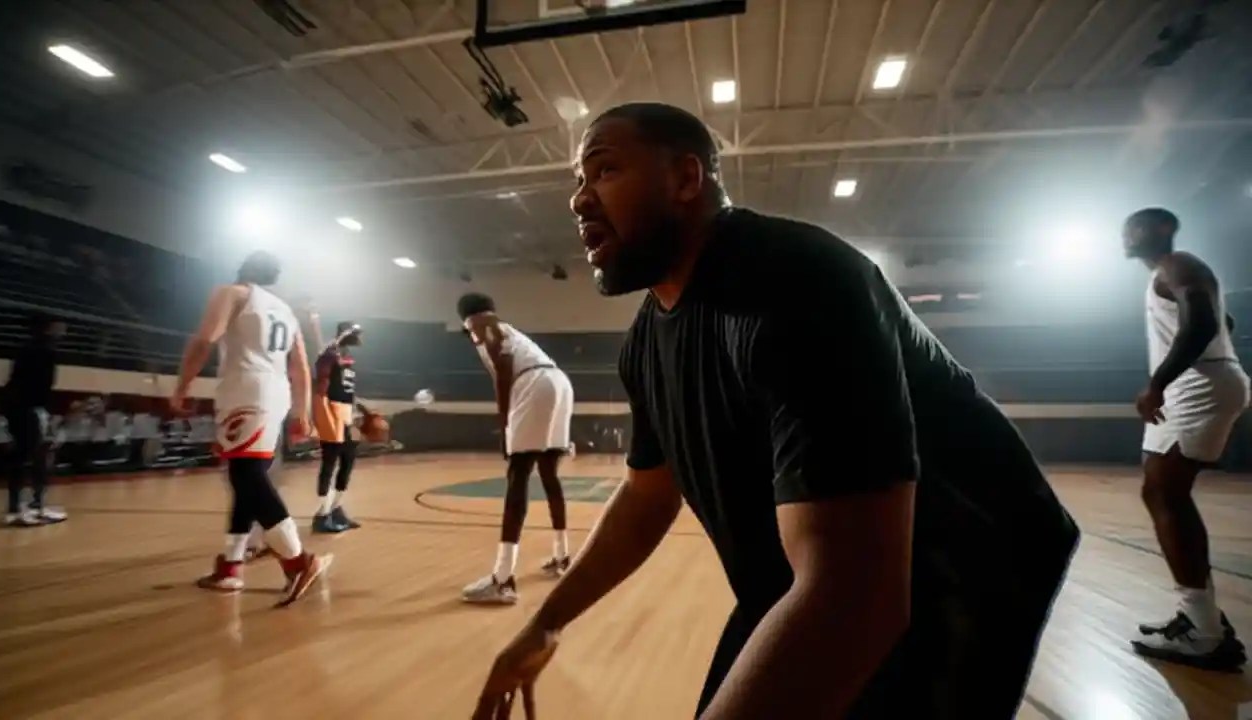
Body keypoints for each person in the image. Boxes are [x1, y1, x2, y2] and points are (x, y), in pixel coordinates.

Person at [472, 102, 1081, 719]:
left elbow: (857, 599)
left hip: (965, 572)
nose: (578, 201)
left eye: (603, 171)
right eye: (577, 181)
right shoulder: (646, 344)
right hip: (812, 576)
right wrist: (546, 623)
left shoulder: (801, 282)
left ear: (687, 179)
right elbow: (646, 499)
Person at [1122, 208, 1248, 670]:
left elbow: (1202, 324)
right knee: (1161, 494)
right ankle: (1200, 616)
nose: (1127, 234)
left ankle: (1205, 633)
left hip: (1196, 383)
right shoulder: (1171, 273)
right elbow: (1221, 324)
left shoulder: (1178, 265)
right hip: (1199, 380)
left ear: (1163, 229)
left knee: (1165, 495)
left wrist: (1158, 382)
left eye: (1136, 226)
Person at [171, 250, 332, 606]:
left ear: (242, 268)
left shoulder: (232, 293)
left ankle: (297, 560)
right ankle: (231, 566)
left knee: (246, 476)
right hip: (274, 392)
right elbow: (301, 367)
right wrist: (302, 411)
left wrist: (182, 384)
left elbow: (204, 340)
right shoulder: (285, 310)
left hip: (245, 388)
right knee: (245, 475)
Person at [457, 292, 575, 605]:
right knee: (549, 474)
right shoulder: (511, 330)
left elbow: (503, 372)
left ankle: (503, 578)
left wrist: (505, 423)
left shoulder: (484, 326)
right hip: (558, 381)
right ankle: (562, 556)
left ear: (468, 319)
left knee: (518, 476)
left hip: (533, 383)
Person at [1, 314, 68, 527]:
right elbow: (38, 386)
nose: (63, 330)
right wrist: (42, 412)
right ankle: (17, 510)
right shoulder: (41, 351)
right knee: (25, 457)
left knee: (39, 456)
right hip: (28, 409)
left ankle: (35, 506)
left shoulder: (33, 350)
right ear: (48, 328)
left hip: (27, 409)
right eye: (59, 326)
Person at [311, 321, 371, 533]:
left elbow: (347, 388)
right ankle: (322, 514)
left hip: (346, 411)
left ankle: (336, 508)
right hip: (331, 409)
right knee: (330, 462)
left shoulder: (347, 356)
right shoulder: (330, 353)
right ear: (346, 334)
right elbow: (322, 383)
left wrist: (359, 409)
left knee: (348, 461)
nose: (360, 337)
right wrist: (322, 413)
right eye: (356, 333)